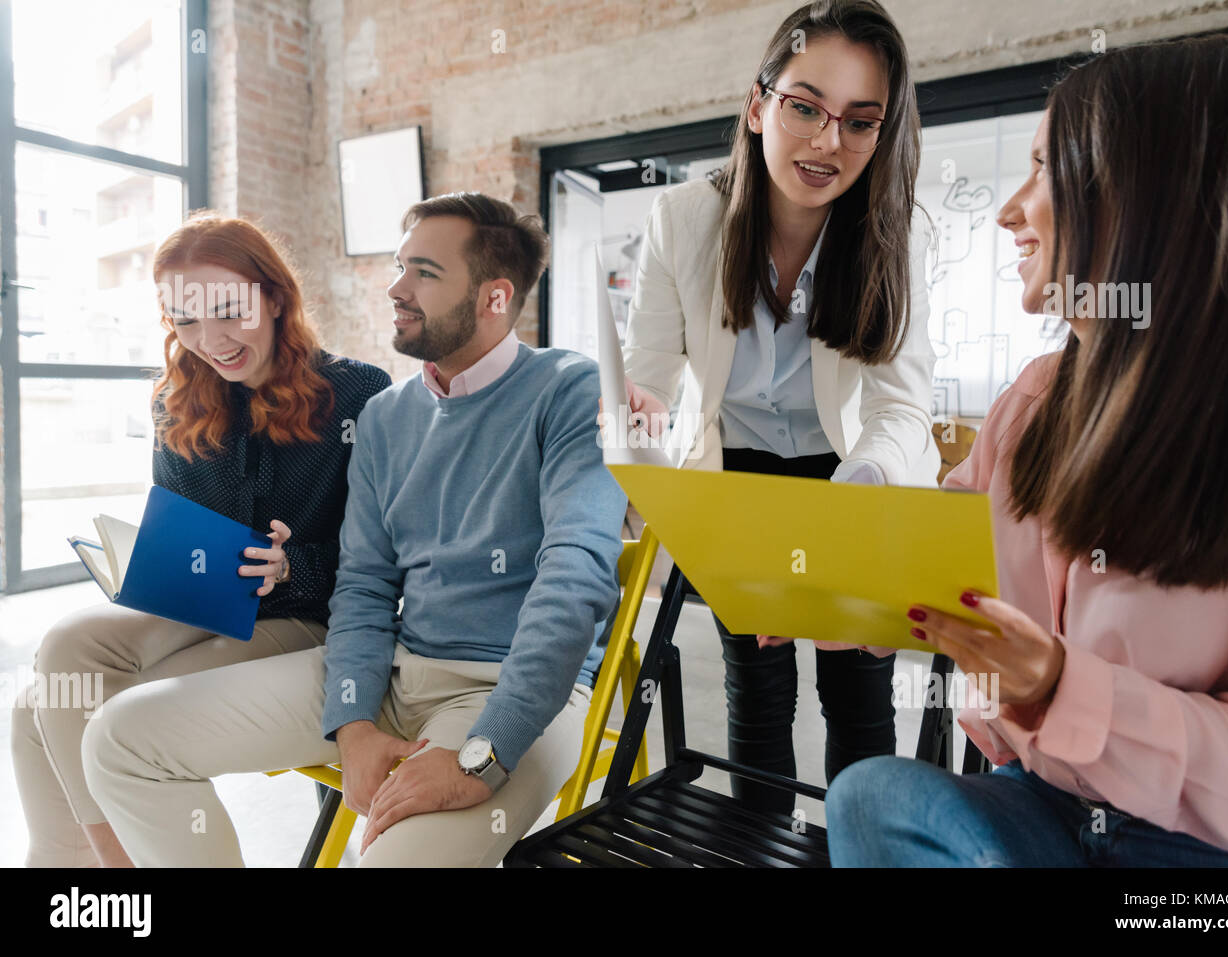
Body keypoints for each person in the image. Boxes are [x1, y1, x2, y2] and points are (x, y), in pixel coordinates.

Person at [826, 33, 1228, 866]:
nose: (1011, 210)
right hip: (1041, 806)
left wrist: (1064, 691)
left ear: (1151, 198)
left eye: (1046, 169)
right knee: (870, 797)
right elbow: (948, 547)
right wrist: (833, 586)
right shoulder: (1036, 398)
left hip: (1197, 854)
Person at [80, 192, 628, 867]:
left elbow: (574, 579)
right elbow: (366, 583)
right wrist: (354, 719)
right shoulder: (388, 414)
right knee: (118, 739)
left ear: (493, 297)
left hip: (506, 691)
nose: (395, 286)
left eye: (423, 272)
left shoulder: (570, 387)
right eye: (400, 265)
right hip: (393, 672)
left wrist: (484, 753)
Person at [619, 0, 938, 812]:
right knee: (757, 687)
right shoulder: (684, 219)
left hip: (854, 468)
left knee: (859, 696)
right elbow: (649, 377)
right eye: (806, 107)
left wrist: (861, 490)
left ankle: (861, 844)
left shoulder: (897, 235)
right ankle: (756, 844)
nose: (829, 142)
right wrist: (635, 433)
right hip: (741, 471)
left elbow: (902, 407)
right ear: (759, 104)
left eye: (861, 122)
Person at [10, 213, 391, 867]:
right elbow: (178, 527)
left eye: (226, 309)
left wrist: (291, 565)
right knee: (62, 654)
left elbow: (386, 565)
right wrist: (155, 558)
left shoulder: (360, 395)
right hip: (208, 605)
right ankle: (111, 872)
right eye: (184, 319)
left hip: (310, 618)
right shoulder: (176, 400)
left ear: (273, 295)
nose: (209, 338)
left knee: (42, 710)